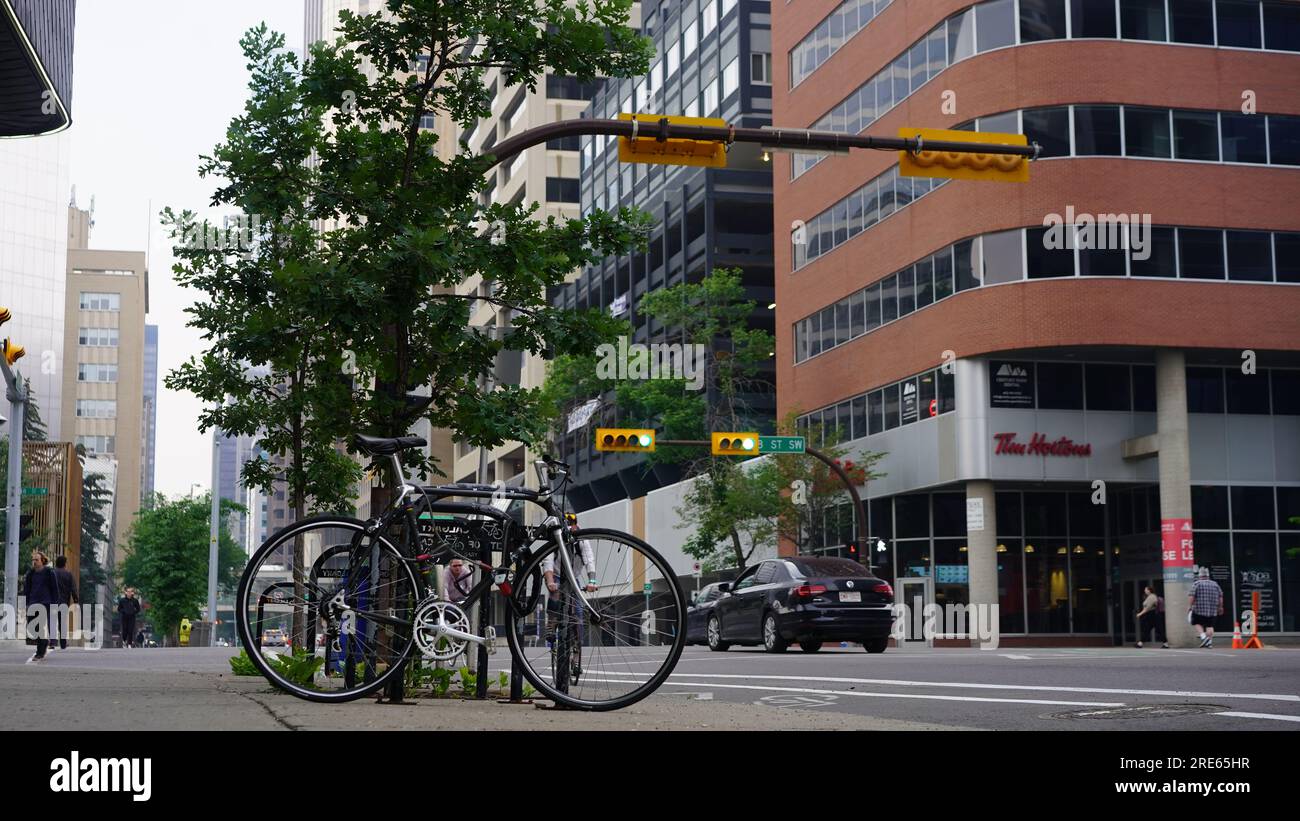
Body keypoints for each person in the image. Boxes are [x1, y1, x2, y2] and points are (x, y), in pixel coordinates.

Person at [23, 551, 61, 664]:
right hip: (33, 602)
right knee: (32, 627)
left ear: (42, 561)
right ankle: (43, 643)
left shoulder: (49, 572)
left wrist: (55, 603)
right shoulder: (30, 574)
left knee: (40, 628)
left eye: (36, 560)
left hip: (46, 602)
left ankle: (40, 652)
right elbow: (27, 589)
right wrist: (26, 602)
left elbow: (55, 588)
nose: (34, 562)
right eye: (33, 560)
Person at [1188, 567, 1225, 648]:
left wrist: (1190, 606)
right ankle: (1209, 643)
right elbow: (1220, 596)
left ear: (1200, 576)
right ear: (1208, 576)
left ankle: (1204, 637)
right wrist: (1220, 607)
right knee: (1210, 626)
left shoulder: (1196, 584)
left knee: (1196, 622)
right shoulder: (1215, 584)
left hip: (1199, 609)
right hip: (1212, 610)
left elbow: (1192, 596)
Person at [53, 554, 78, 650]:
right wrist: (75, 600)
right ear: (65, 564)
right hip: (63, 601)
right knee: (62, 622)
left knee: (52, 621)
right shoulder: (68, 574)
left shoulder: (52, 573)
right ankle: (63, 643)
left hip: (52, 600)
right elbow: (73, 588)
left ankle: (53, 641)